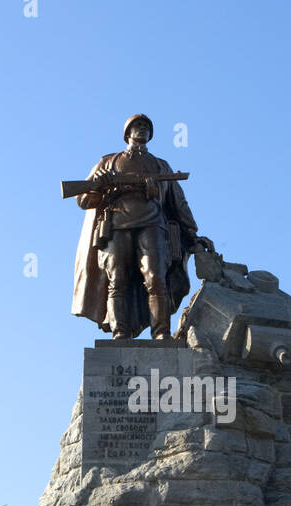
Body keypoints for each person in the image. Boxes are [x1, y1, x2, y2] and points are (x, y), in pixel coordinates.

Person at [71, 114, 214, 339]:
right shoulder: (108, 161)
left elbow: (179, 203)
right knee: (117, 280)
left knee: (156, 278)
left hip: (153, 224)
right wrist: (99, 185)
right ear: (127, 133)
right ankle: (120, 333)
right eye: (137, 126)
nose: (142, 129)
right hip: (115, 225)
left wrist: (193, 235)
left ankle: (161, 334)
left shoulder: (161, 165)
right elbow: (83, 201)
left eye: (146, 127)